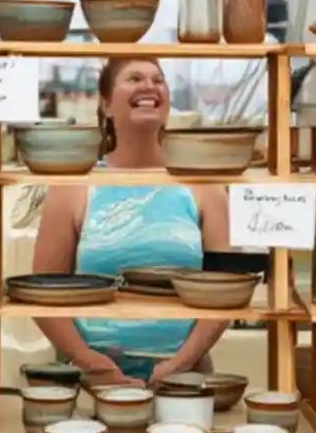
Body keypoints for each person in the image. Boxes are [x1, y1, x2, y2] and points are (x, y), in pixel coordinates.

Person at [31, 58, 230, 387]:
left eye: (158, 79)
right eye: (134, 78)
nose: (149, 86)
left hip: (185, 380)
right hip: (90, 382)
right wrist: (94, 365)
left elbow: (226, 292)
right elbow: (42, 296)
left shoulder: (205, 187)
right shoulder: (73, 188)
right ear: (106, 104)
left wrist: (178, 365)